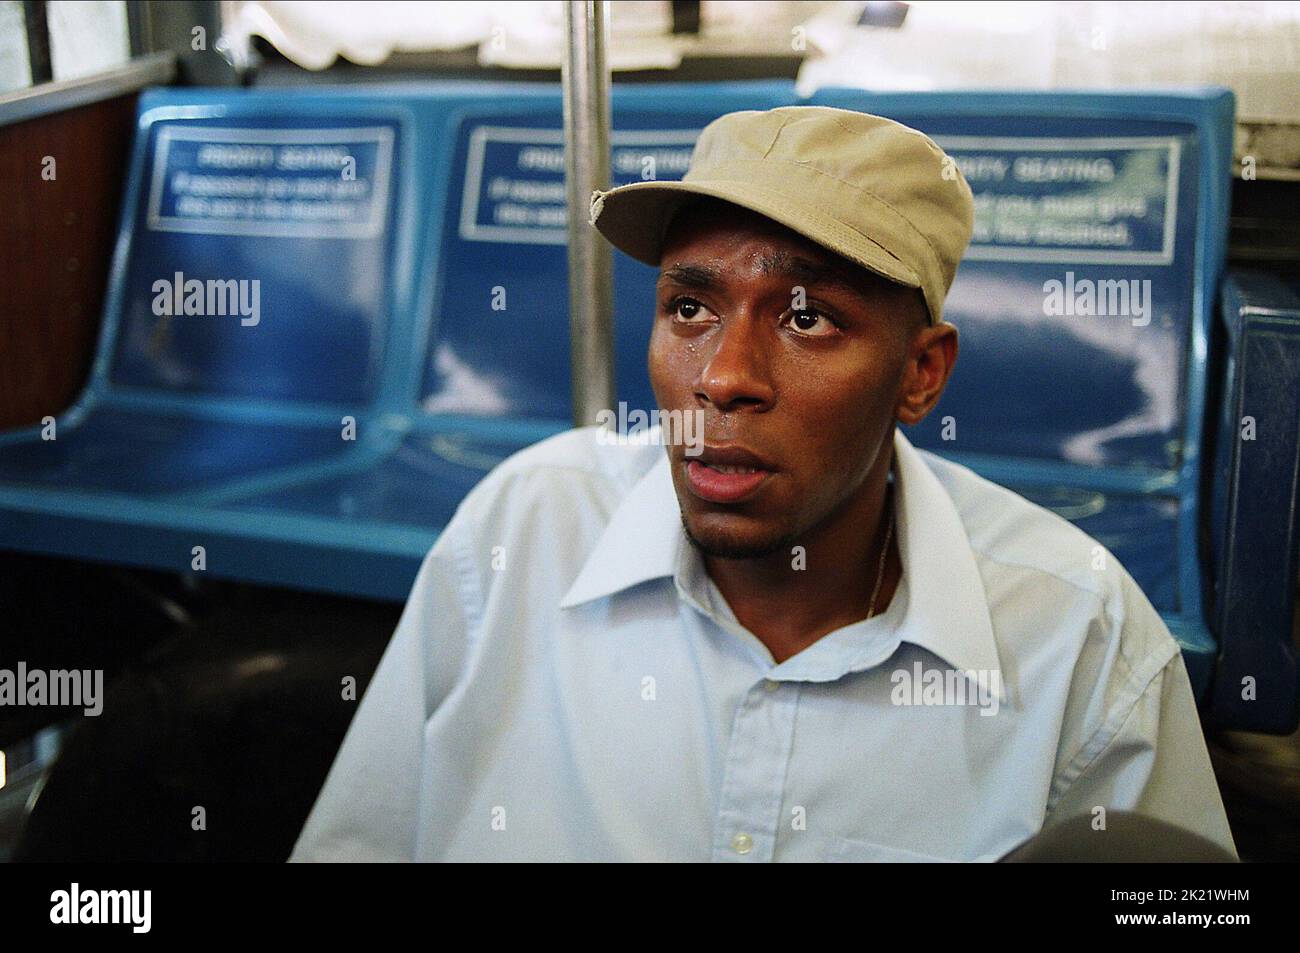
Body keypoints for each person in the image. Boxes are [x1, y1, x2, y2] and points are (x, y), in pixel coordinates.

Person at [290, 106, 1236, 862]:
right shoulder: (519, 536)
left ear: (921, 374)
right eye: (689, 306)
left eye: (809, 317)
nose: (723, 376)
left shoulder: (1076, 643)